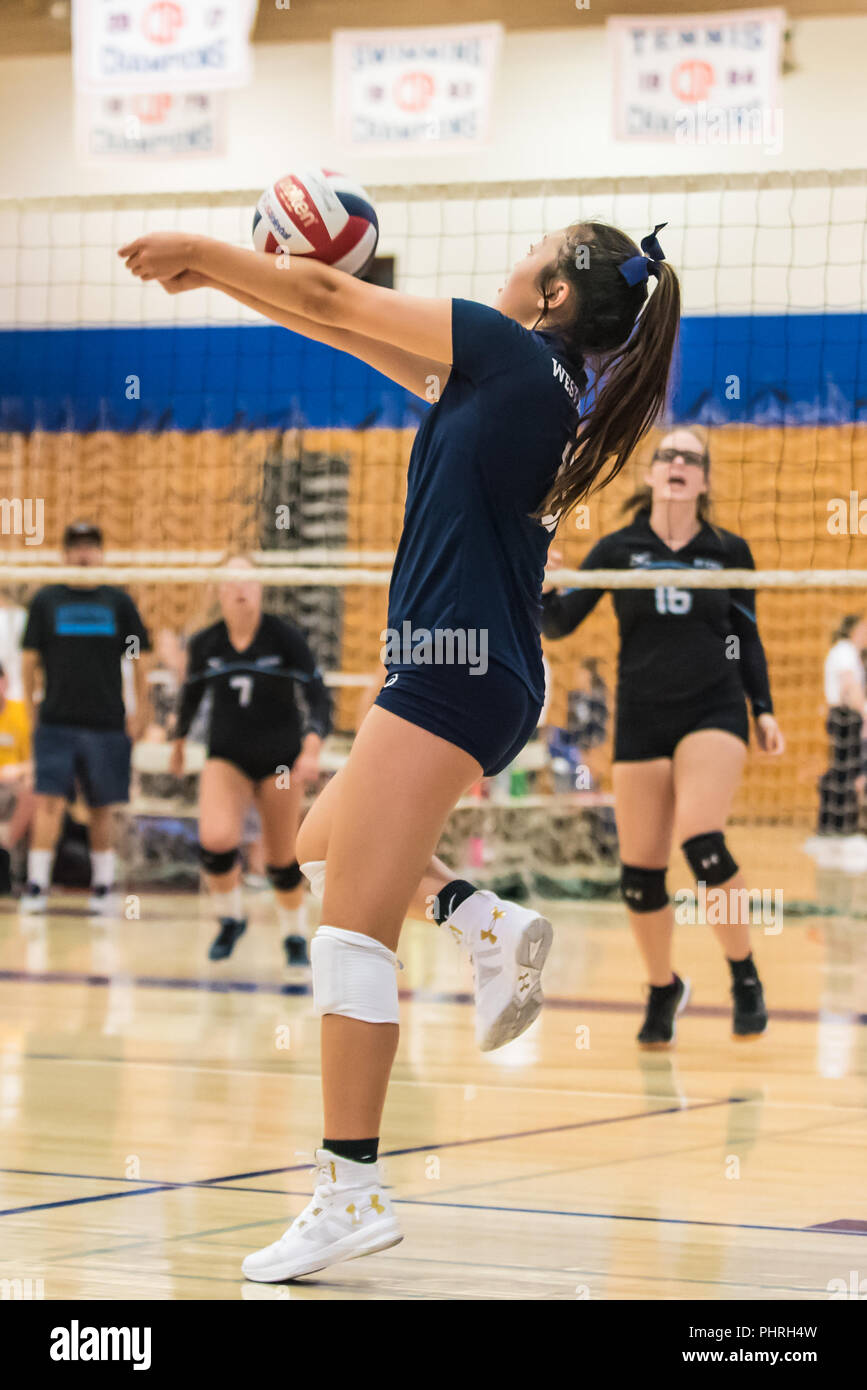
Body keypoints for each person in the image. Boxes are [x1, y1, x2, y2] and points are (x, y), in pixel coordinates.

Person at [120, 215, 681, 1281]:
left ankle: (350, 1190)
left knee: (346, 935)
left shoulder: (509, 354)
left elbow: (334, 300)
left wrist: (206, 245)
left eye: (537, 248)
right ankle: (480, 920)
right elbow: (342, 328)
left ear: (556, 295)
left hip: (451, 672)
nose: (515, 254)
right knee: (323, 842)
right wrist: (226, 277)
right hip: (476, 671)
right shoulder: (519, 379)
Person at [542, 427, 785, 1048]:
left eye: (691, 459)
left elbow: (748, 636)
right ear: (652, 474)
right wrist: (536, 586)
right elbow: (562, 624)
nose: (678, 464)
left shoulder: (728, 549)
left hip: (715, 706)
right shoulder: (620, 549)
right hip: (643, 714)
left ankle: (744, 973)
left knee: (702, 843)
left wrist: (764, 709)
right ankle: (661, 987)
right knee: (639, 873)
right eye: (668, 456)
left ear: (703, 481)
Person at [170, 557, 332, 964]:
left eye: (249, 581)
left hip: (280, 760)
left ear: (261, 589)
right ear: (220, 592)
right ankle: (230, 919)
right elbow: (190, 696)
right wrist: (179, 740)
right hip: (227, 756)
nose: (241, 589)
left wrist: (311, 747)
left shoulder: (283, 637)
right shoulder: (207, 642)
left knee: (281, 857)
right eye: (231, 582)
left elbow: (318, 696)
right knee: (216, 839)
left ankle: (294, 936)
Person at [19, 521, 151, 914]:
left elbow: (141, 656)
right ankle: (37, 884)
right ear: (65, 553)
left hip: (107, 722)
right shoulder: (46, 602)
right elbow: (29, 661)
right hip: (57, 720)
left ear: (101, 552)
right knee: (49, 802)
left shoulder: (118, 602)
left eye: (91, 546)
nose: (83, 553)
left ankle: (103, 886)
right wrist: (31, 713)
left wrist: (143, 707)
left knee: (101, 805)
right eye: (76, 546)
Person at [817, 614, 867, 842]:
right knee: (846, 770)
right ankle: (839, 824)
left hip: (842, 714)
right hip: (846, 715)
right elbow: (849, 686)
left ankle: (834, 823)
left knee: (842, 769)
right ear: (854, 630)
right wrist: (864, 714)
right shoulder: (846, 650)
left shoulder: (845, 651)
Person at [0, 661, 33, 893]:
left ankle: (5, 853)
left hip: (13, 785)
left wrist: (18, 771)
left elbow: (37, 761)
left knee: (35, 788)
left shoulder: (22, 713)